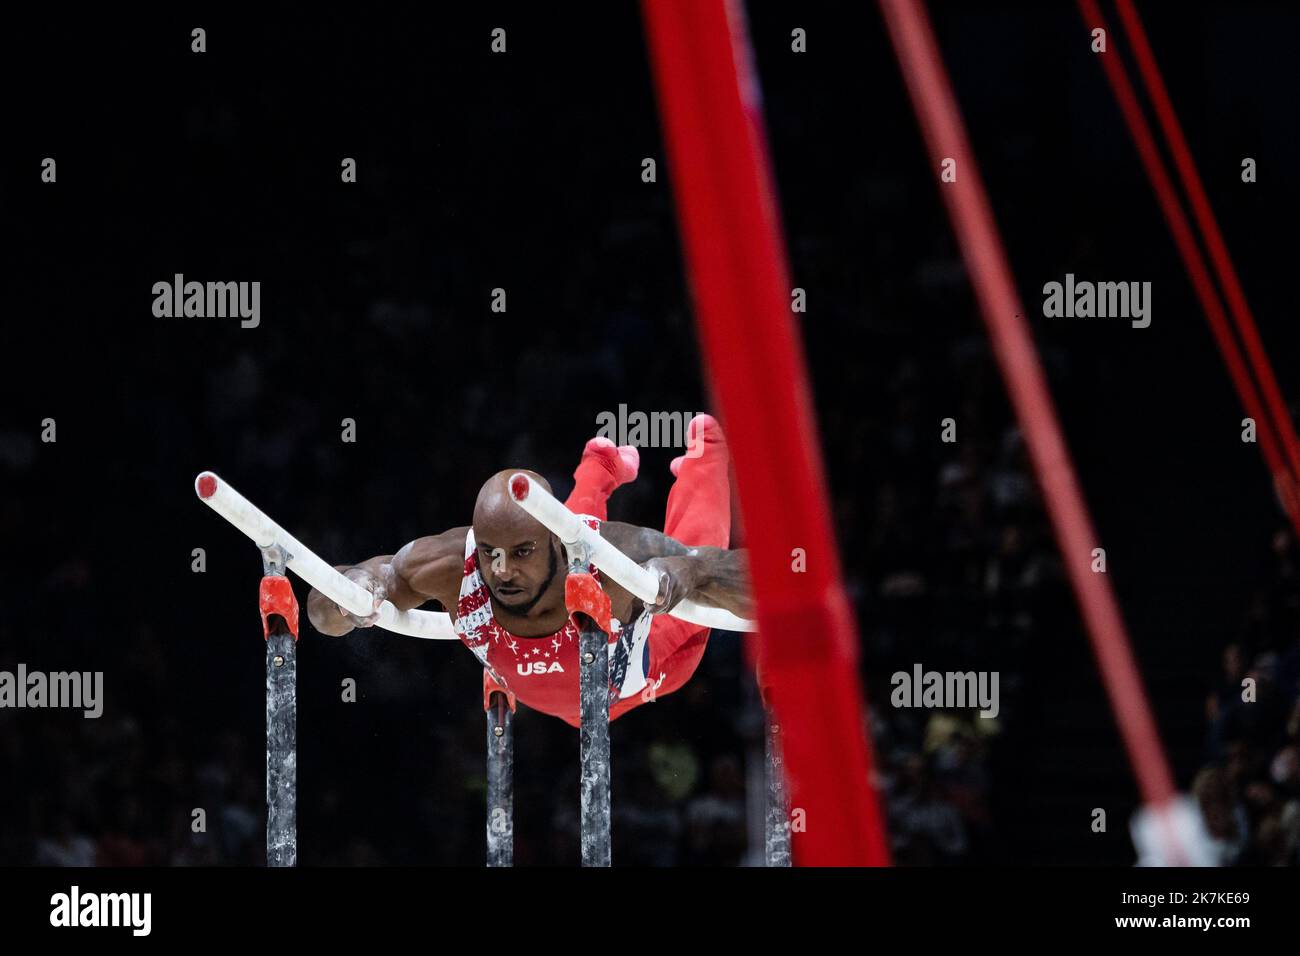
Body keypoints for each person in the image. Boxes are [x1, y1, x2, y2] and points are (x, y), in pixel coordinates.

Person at [306, 415, 750, 726]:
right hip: (559, 692)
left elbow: (749, 580)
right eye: (489, 551)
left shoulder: (619, 553)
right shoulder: (453, 567)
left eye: (520, 552)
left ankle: (706, 455)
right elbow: (323, 612)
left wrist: (691, 573)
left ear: (552, 543)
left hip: (647, 667)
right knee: (566, 555)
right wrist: (359, 588)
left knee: (693, 575)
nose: (500, 571)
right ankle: (599, 468)